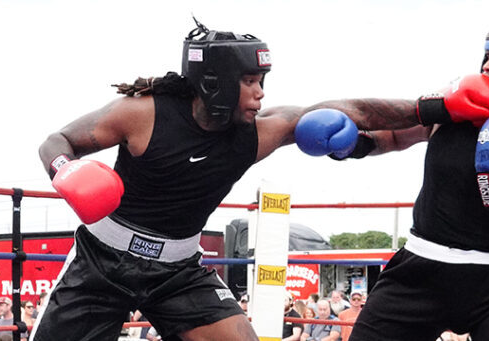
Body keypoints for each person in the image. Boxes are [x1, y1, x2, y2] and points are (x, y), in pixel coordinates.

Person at [293, 20, 489, 341]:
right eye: (487, 56)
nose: (487, 65)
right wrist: (352, 144)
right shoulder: (458, 103)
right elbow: (390, 136)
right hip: (420, 270)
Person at [34, 18, 317, 341]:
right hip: (103, 262)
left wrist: (359, 141)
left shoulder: (254, 133)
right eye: (250, 81)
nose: (260, 93)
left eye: (261, 81)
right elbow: (56, 142)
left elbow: (343, 112)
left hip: (178, 270)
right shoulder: (142, 113)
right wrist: (66, 169)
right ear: (217, 81)